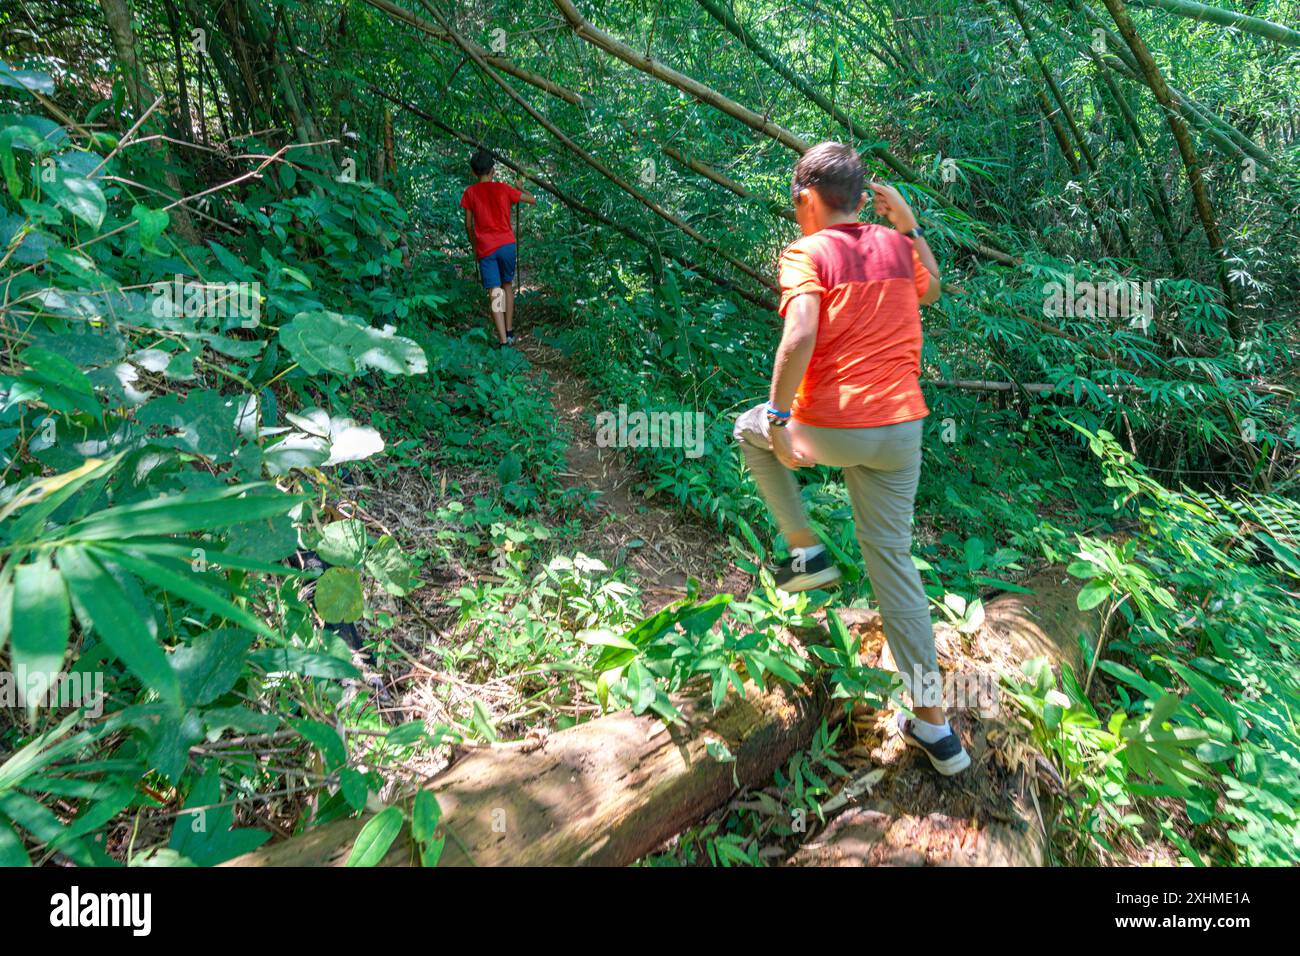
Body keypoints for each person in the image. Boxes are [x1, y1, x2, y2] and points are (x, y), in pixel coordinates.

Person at [732, 141, 969, 776]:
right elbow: (935, 291)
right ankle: (937, 730)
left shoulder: (807, 252)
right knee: (893, 564)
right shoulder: (895, 246)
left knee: (748, 430)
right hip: (900, 433)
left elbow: (801, 331)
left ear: (807, 199)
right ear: (864, 200)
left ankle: (806, 551)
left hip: (830, 427)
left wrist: (781, 419)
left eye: (795, 201)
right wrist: (909, 224)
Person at [459, 150, 536, 346]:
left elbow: (468, 225)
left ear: (473, 173)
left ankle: (503, 339)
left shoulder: (470, 192)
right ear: (493, 170)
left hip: (486, 247)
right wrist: (520, 188)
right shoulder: (504, 189)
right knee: (507, 285)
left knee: (495, 290)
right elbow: (532, 199)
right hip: (507, 245)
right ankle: (509, 331)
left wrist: (474, 245)